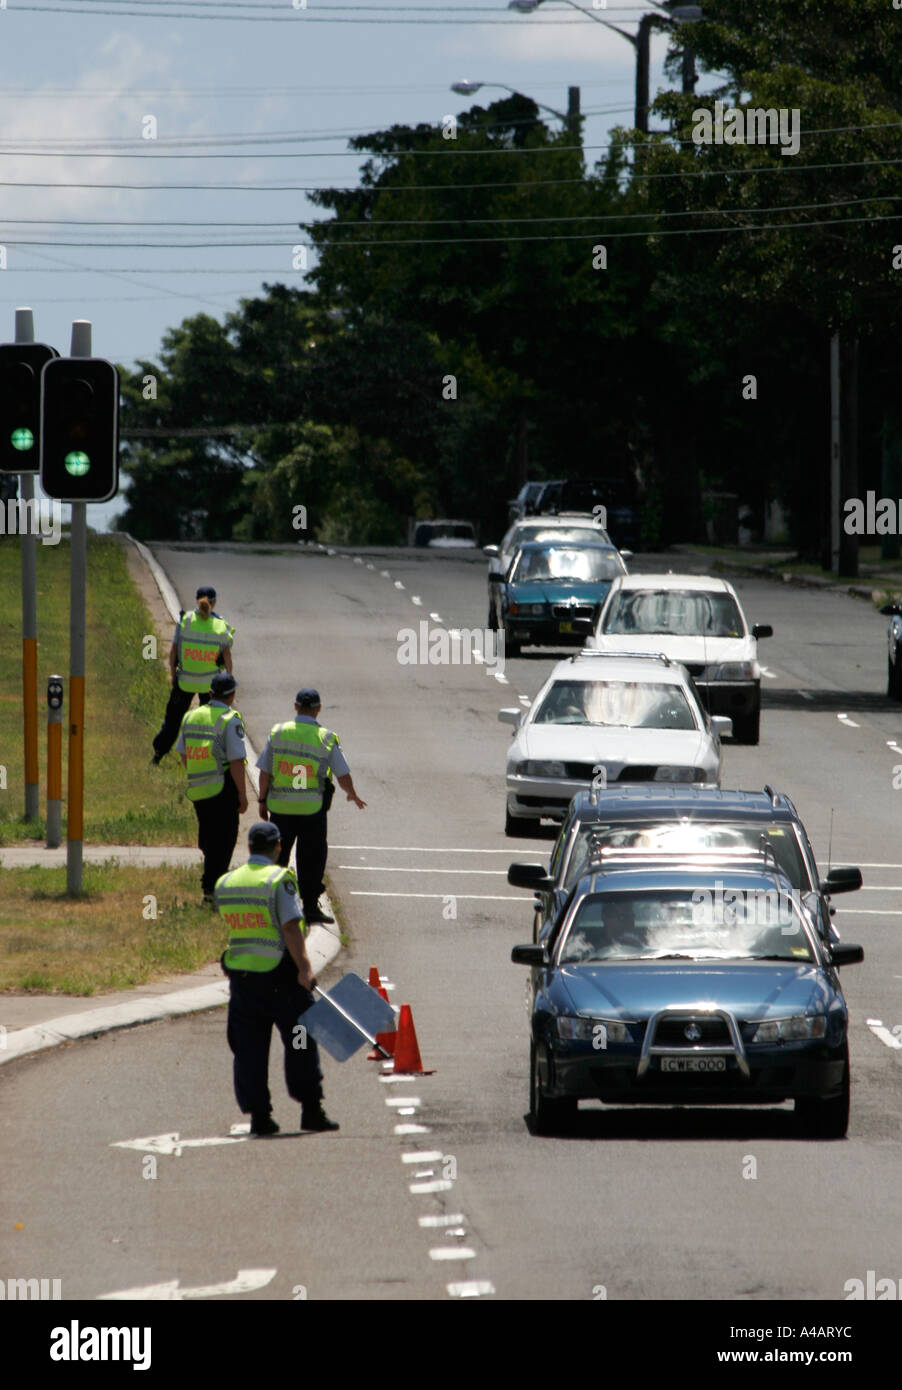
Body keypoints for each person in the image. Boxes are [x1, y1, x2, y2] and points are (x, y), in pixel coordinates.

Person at [217, 820, 338, 1135]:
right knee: (299, 1041)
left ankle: (259, 1117)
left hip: (243, 982)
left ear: (249, 848)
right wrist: (304, 968)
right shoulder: (279, 880)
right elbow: (289, 926)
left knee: (250, 1050)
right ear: (278, 846)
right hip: (282, 979)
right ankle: (310, 1110)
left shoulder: (227, 882)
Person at [256, 689, 366, 925]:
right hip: (311, 811)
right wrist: (352, 794)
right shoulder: (325, 738)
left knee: (277, 858)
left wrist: (262, 800)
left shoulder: (278, 733)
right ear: (318, 708)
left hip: (281, 809)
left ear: (295, 706)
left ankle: (271, 905)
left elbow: (265, 771)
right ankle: (309, 908)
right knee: (311, 860)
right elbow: (342, 773)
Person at [177, 670, 248, 903]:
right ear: (232, 694)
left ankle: (211, 883)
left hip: (198, 786)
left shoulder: (191, 717)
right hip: (221, 785)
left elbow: (184, 753)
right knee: (225, 839)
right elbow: (236, 761)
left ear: (210, 693)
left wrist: (195, 773)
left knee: (208, 837)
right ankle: (213, 888)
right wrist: (242, 794)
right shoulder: (230, 719)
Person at [151, 586, 234, 764]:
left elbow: (173, 653)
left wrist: (174, 675)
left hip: (185, 682)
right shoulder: (220, 625)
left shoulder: (186, 620)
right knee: (211, 723)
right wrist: (228, 681)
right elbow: (227, 657)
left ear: (197, 600)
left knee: (172, 721)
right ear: (215, 601)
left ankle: (158, 755)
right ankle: (208, 758)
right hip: (210, 686)